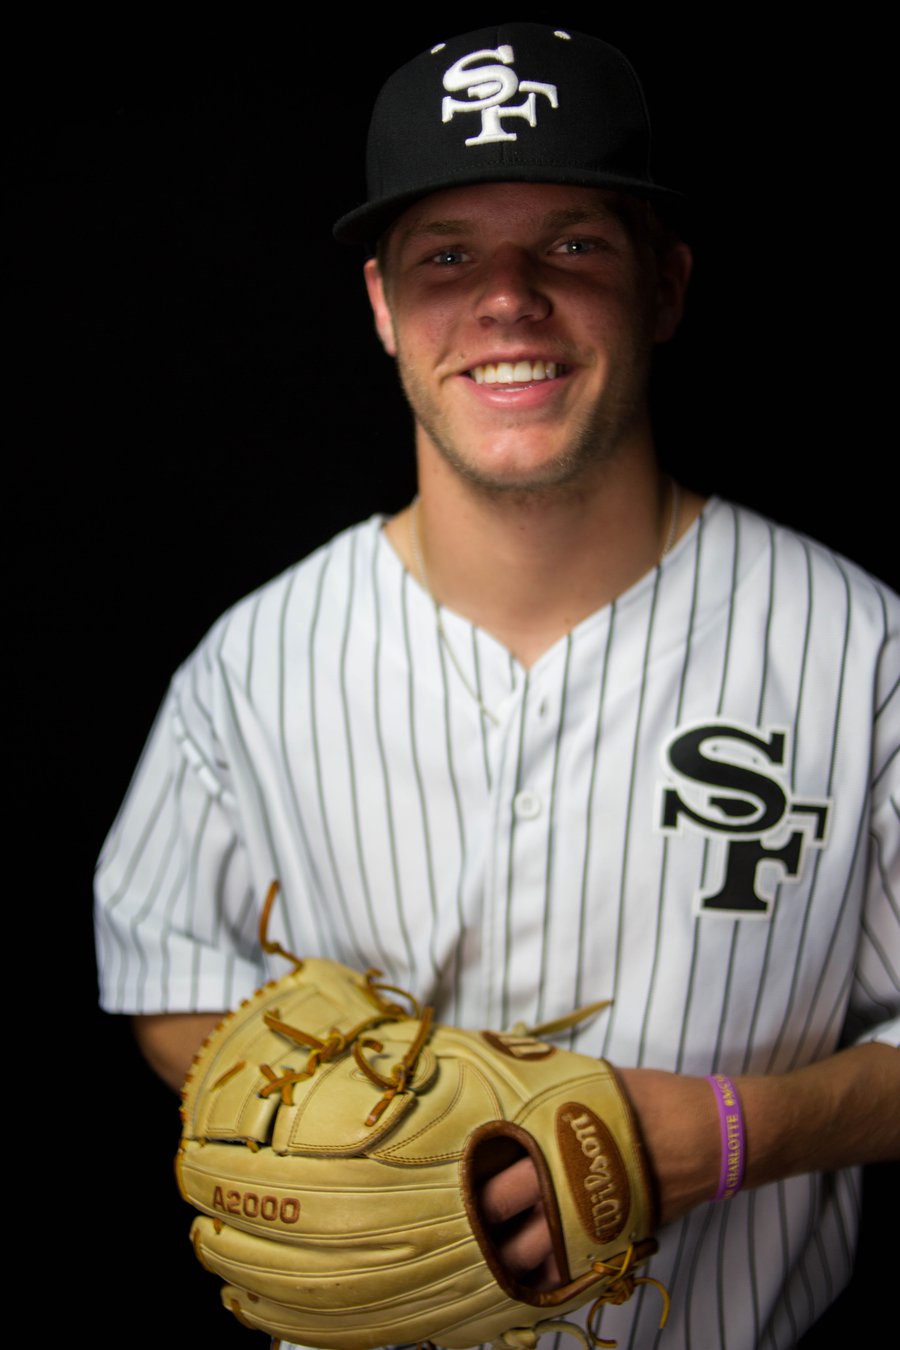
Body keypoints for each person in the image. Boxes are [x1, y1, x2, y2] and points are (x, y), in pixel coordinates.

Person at [94, 23, 899, 1349]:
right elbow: (163, 966)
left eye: (573, 245)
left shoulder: (858, 651)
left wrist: (737, 1132)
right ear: (379, 305)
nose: (509, 299)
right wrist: (325, 1106)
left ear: (665, 285)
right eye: (448, 255)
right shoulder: (255, 660)